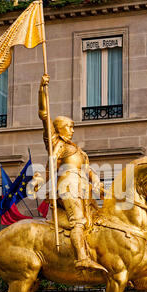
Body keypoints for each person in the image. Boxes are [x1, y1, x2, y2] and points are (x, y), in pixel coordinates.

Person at [38, 74, 107, 273]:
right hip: (67, 186)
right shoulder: (54, 141)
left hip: (82, 188)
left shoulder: (78, 150)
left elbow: (88, 170)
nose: (72, 131)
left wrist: (99, 186)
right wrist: (42, 89)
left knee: (95, 220)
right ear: (58, 129)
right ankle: (82, 258)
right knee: (79, 221)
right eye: (69, 126)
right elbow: (43, 114)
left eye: (73, 127)